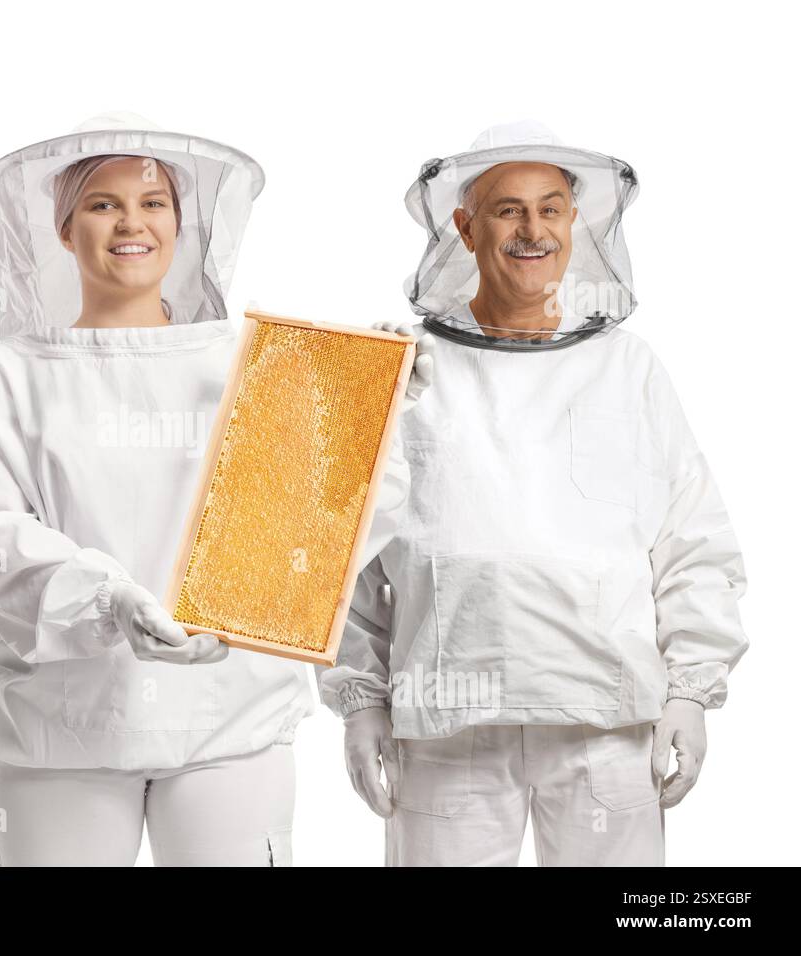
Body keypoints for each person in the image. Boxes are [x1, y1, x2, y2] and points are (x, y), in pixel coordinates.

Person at [0, 112, 429, 866]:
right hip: (58, 733)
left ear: (181, 222)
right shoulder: (8, 377)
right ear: (64, 230)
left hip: (230, 724)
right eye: (103, 204)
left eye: (153, 203)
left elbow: (319, 533)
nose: (131, 222)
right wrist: (109, 601)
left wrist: (381, 414)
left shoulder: (252, 364)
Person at [321, 121, 749, 866]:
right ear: (464, 224)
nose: (532, 229)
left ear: (575, 224)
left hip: (606, 721)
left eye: (551, 208)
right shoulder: (408, 369)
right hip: (448, 723)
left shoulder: (629, 369)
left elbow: (691, 538)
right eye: (508, 209)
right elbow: (344, 555)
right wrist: (360, 702)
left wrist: (690, 688)